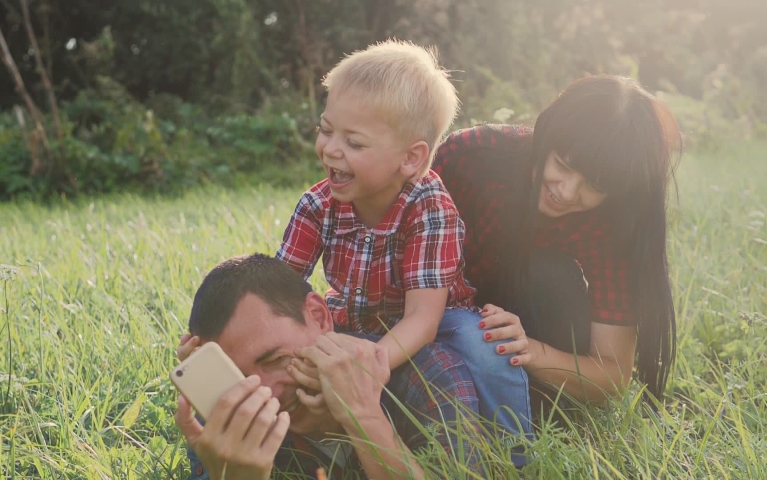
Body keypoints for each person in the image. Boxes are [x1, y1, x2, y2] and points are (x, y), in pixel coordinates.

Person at [275, 39, 532, 447]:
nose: (331, 149)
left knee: (482, 347)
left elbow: (422, 321)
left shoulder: (429, 206)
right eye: (326, 130)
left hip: (437, 318)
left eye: (354, 143)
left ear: (411, 158)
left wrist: (370, 363)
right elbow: (279, 289)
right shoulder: (318, 203)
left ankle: (514, 449)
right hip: (355, 315)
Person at [431, 75, 681, 408]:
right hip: (429, 318)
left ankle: (534, 412)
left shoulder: (612, 226)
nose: (566, 192)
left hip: (529, 354)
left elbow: (613, 375)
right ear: (546, 135)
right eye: (562, 165)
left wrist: (531, 351)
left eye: (593, 185)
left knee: (550, 274)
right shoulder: (472, 156)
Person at [175, 254, 481, 480]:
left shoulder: (429, 375)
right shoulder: (231, 417)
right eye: (241, 378)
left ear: (319, 317)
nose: (268, 394)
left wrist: (364, 414)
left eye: (275, 359)